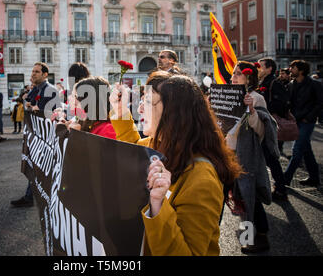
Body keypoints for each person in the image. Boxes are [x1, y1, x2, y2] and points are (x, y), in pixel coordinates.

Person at [109, 71, 242, 256]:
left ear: (173, 112)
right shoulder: (157, 143)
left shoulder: (202, 179)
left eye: (147, 102)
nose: (139, 109)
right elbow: (134, 152)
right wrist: (121, 113)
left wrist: (158, 205)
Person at [226, 61, 279, 253]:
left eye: (238, 74)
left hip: (246, 155)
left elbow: (262, 130)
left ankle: (259, 237)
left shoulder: (256, 98)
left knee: (250, 198)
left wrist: (252, 111)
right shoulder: (229, 96)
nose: (234, 77)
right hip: (227, 154)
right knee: (238, 198)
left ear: (249, 77)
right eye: (233, 73)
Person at [11, 62, 61, 208]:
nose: (33, 74)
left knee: (43, 167)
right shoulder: (36, 89)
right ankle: (30, 196)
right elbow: (28, 102)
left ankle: (52, 199)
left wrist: (32, 107)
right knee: (36, 166)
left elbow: (45, 112)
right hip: (37, 135)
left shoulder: (50, 89)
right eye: (32, 71)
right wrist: (30, 105)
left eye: (37, 72)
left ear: (45, 74)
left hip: (46, 136)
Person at [284, 60, 323, 188]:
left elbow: (320, 103)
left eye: (293, 67)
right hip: (296, 120)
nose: (290, 69)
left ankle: (285, 179)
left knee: (297, 150)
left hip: (307, 121)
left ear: (301, 70)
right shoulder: (291, 84)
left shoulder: (314, 84)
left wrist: (309, 117)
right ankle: (314, 178)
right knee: (306, 150)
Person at [257, 58, 289, 201]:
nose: (258, 69)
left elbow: (282, 104)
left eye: (261, 67)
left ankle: (280, 189)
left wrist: (267, 111)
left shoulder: (274, 83)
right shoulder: (262, 83)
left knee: (271, 158)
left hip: (268, 126)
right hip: (261, 126)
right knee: (266, 158)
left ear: (269, 69)